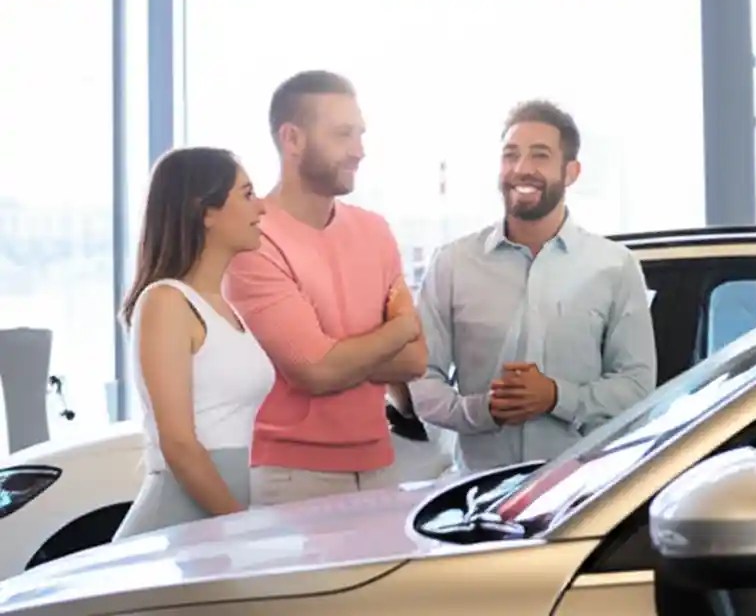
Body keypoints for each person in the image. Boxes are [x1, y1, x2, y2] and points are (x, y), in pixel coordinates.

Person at [409, 99, 657, 473]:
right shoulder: (453, 264)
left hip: (580, 491)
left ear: (570, 172)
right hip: (476, 492)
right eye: (511, 155)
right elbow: (420, 377)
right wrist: (480, 411)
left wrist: (556, 397)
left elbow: (637, 386)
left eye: (539, 156)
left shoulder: (614, 266)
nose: (521, 169)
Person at [224, 70, 427, 506]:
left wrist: (337, 355)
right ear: (292, 139)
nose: (359, 151)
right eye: (342, 135)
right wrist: (398, 329)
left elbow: (414, 360)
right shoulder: (251, 237)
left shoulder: (375, 231)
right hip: (290, 475)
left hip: (379, 464)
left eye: (360, 134)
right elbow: (315, 372)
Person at [114, 147, 274, 540]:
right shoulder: (165, 302)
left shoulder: (222, 306)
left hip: (217, 521)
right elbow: (180, 444)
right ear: (206, 212)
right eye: (248, 194)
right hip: (173, 525)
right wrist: (241, 524)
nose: (263, 207)